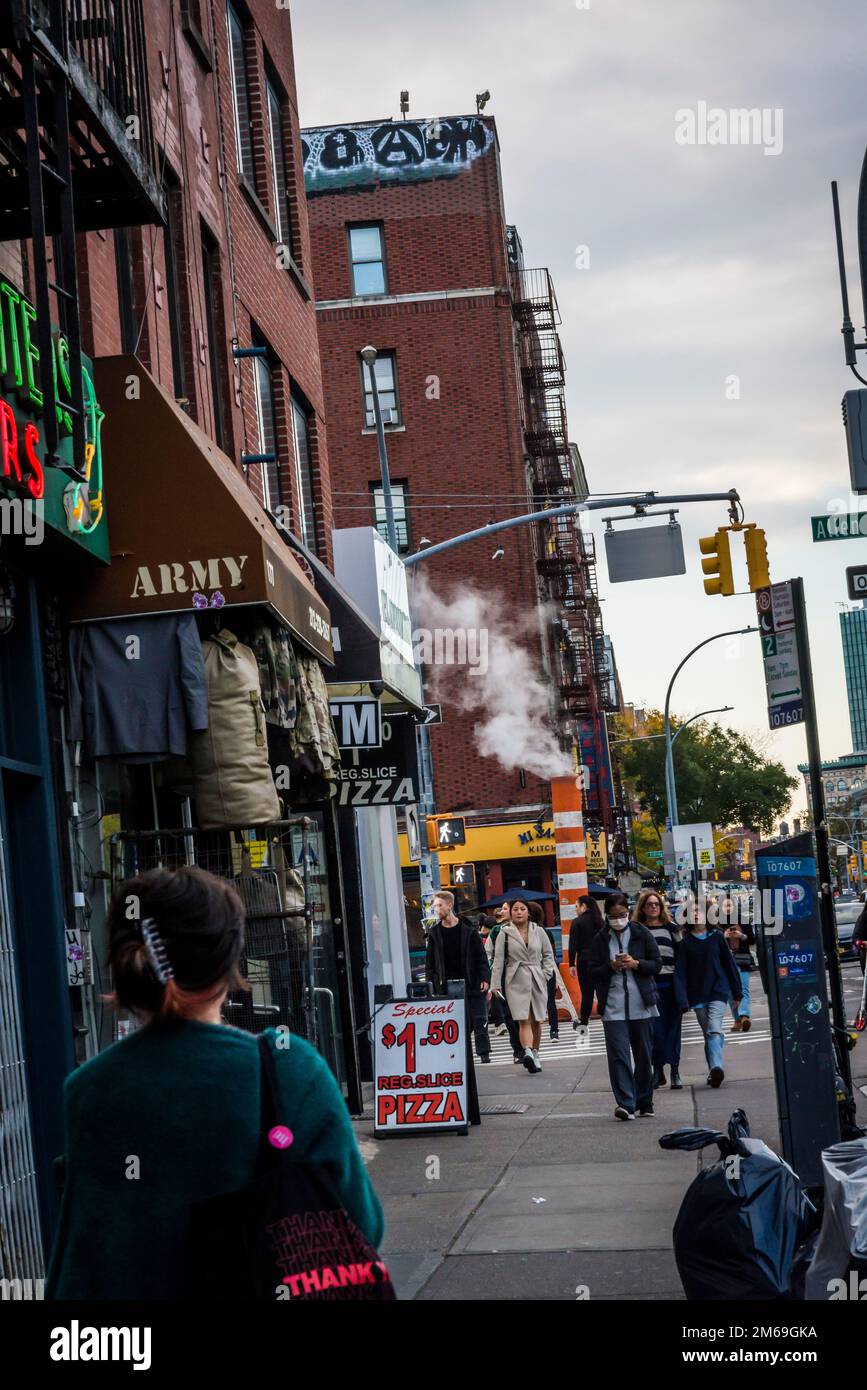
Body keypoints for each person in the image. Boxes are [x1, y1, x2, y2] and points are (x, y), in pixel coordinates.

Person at [46, 866, 384, 1300]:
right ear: (229, 959)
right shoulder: (286, 1070)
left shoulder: (88, 1089)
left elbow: (81, 1260)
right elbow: (362, 1223)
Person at [589, 892, 661, 1120]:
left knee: (643, 1056)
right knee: (618, 1055)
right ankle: (626, 1104)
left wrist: (636, 963)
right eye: (613, 916)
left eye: (621, 915)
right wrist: (611, 966)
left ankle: (645, 1101)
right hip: (613, 1007)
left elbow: (657, 964)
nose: (618, 920)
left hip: (642, 1004)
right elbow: (592, 971)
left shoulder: (641, 933)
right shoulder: (600, 939)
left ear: (628, 913)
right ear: (606, 916)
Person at [674, 900, 743, 1088]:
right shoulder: (685, 941)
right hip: (696, 995)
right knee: (709, 1034)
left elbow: (729, 964)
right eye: (693, 911)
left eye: (700, 910)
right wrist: (682, 999)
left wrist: (737, 992)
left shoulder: (717, 936)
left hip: (718, 990)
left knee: (714, 1028)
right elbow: (680, 972)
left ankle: (716, 1067)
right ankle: (714, 1072)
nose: (696, 913)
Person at [425, 890, 492, 1063]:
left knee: (478, 1018)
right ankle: (456, 1053)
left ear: (449, 905)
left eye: (439, 905)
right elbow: (430, 964)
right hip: (446, 984)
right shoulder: (434, 933)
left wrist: (485, 978)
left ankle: (483, 1053)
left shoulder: (468, 930)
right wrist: (430, 985)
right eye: (435, 906)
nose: (436, 909)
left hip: (471, 981)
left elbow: (481, 956)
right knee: (452, 1021)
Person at [490, 898, 556, 1074]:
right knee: (523, 1018)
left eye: (522, 909)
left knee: (536, 1020)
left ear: (529, 912)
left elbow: (548, 955)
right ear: (510, 913)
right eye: (515, 909)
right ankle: (526, 1051)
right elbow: (498, 961)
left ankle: (535, 1053)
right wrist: (495, 984)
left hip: (537, 977)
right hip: (515, 979)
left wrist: (545, 974)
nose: (519, 912)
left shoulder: (539, 931)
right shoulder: (504, 933)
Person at [632, 889, 683, 1090]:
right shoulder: (637, 930)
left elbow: (683, 957)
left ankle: (675, 1071)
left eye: (657, 904)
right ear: (642, 908)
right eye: (649, 904)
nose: (653, 907)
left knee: (674, 1031)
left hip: (672, 986)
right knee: (655, 1032)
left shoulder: (672, 929)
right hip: (649, 987)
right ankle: (658, 1070)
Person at [486, 900, 522, 1057]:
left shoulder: (529, 928)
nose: (503, 910)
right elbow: (488, 953)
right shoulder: (495, 931)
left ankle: (530, 1048)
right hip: (503, 978)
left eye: (506, 908)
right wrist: (492, 977)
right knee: (509, 1015)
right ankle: (518, 1050)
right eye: (505, 908)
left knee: (525, 1015)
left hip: (524, 977)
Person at [718, 897, 757, 1032]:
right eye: (725, 906)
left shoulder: (743, 920)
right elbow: (713, 943)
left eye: (730, 905)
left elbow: (752, 940)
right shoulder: (717, 922)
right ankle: (737, 1019)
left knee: (743, 988)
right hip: (725, 961)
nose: (728, 908)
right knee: (729, 991)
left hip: (742, 959)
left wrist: (741, 936)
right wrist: (724, 936)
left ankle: (745, 1016)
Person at [568, 895, 606, 1032]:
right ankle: (606, 1018)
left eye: (577, 907)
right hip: (601, 961)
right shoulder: (601, 922)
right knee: (602, 991)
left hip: (584, 961)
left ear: (584, 906)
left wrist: (571, 964)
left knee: (587, 993)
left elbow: (572, 945)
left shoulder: (577, 922)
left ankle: (583, 1023)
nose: (576, 910)